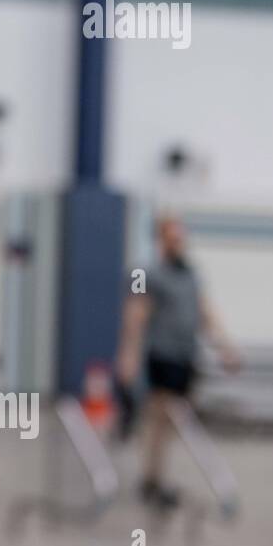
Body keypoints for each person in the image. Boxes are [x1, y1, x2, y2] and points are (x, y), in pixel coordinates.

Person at [116, 213, 239, 508]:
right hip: (161, 356)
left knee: (170, 423)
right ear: (161, 240)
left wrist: (225, 347)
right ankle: (152, 479)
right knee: (161, 415)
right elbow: (135, 316)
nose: (177, 243)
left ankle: (153, 476)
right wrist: (129, 356)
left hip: (186, 356)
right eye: (171, 238)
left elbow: (206, 312)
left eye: (180, 237)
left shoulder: (192, 275)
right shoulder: (148, 274)